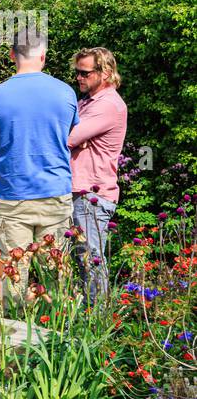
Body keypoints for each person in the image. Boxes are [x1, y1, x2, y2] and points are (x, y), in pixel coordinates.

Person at [0, 26, 79, 301]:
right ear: (43, 56)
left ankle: (13, 338)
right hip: (55, 194)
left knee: (14, 273)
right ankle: (55, 336)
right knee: (55, 272)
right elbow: (66, 135)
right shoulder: (66, 94)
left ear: (12, 54)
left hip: (12, 197)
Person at [68, 48, 128, 301]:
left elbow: (67, 138)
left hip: (91, 196)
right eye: (77, 73)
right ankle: (86, 322)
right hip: (79, 193)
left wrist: (76, 140)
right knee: (81, 261)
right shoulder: (87, 102)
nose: (79, 78)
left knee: (90, 262)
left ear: (105, 72)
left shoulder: (108, 105)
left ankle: (97, 322)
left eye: (84, 73)